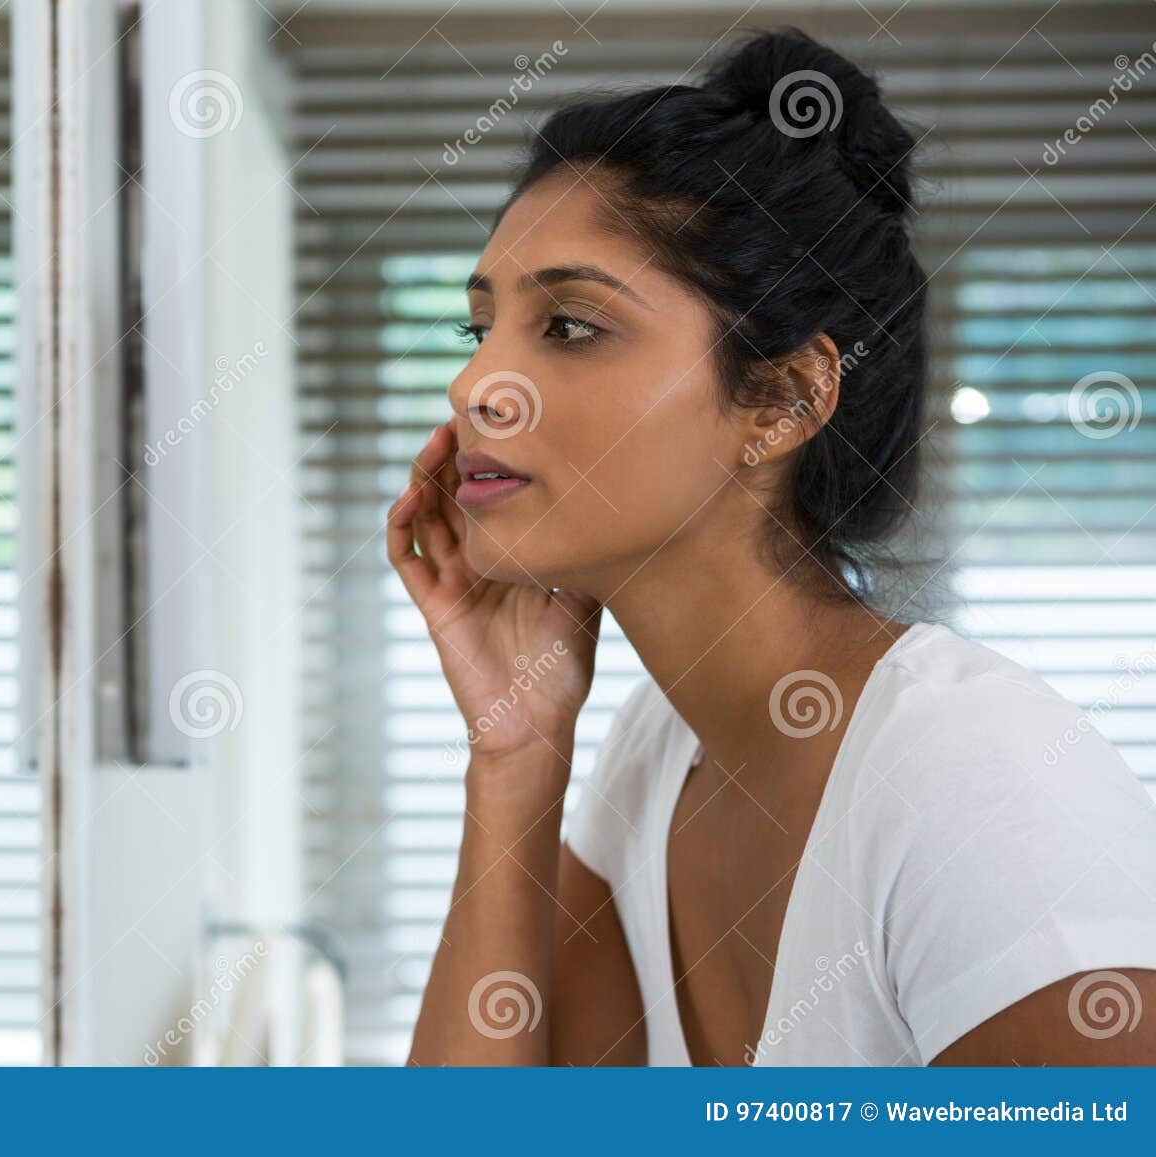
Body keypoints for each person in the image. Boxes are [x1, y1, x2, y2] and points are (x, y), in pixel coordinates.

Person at [390, 27, 1156, 1066]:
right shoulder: (655, 759)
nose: (474, 385)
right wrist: (514, 755)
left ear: (786, 398)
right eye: (478, 330)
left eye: (567, 326)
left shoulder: (975, 779)